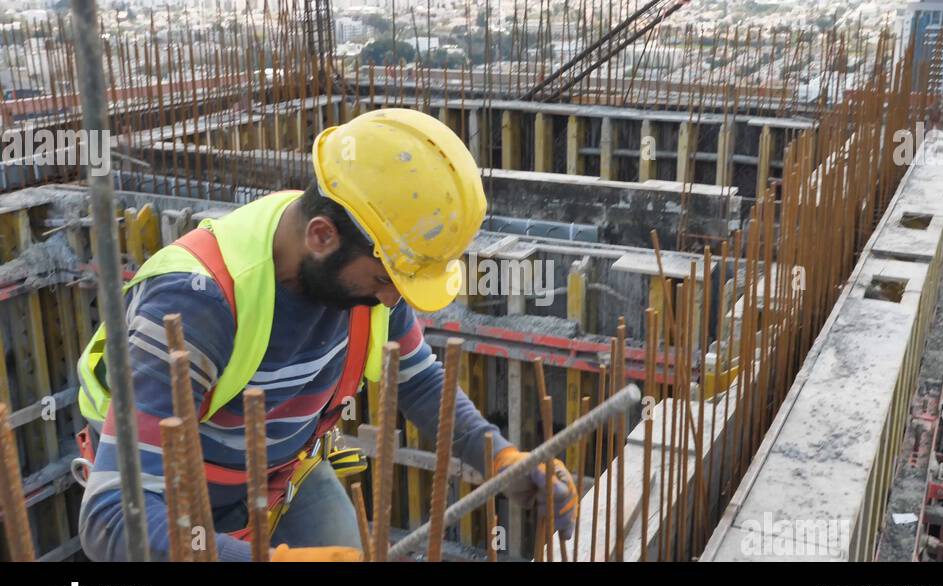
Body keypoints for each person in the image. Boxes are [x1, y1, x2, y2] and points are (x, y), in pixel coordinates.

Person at [76, 108, 578, 561]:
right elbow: (112, 518)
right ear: (321, 236)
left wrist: (500, 456)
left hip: (281, 479)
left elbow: (421, 383)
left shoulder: (365, 269)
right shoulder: (196, 304)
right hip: (175, 509)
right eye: (384, 281)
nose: (389, 301)